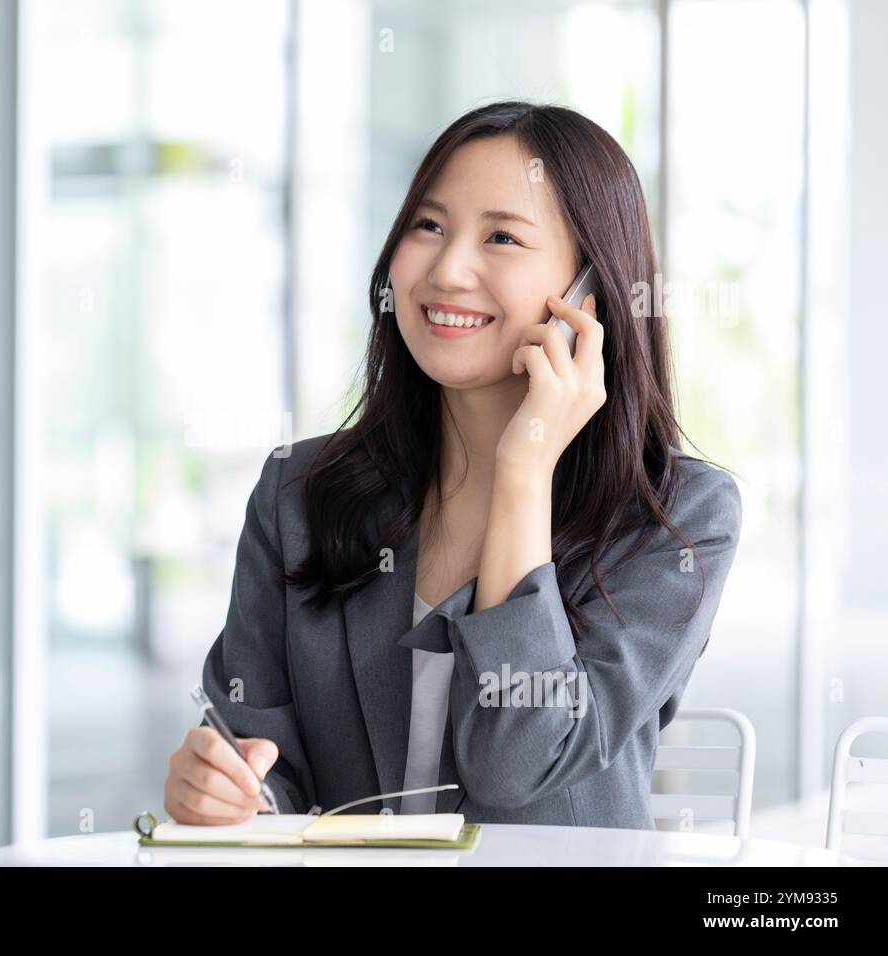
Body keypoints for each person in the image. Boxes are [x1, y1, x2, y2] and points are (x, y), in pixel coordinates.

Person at [162, 100, 743, 829]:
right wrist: (223, 791)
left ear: (588, 293)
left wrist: (524, 472)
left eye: (502, 237)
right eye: (428, 226)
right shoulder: (299, 494)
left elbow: (518, 760)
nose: (447, 269)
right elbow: (261, 761)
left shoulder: (677, 519)